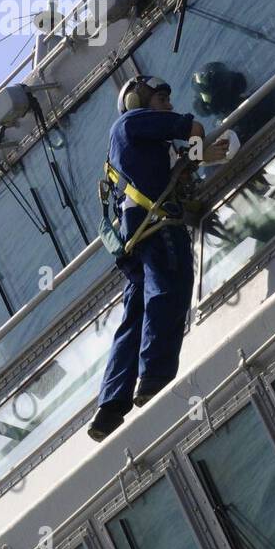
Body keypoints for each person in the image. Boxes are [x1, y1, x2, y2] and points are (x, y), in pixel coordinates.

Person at [87, 75, 229, 441]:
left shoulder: (128, 147)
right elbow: (192, 125)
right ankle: (154, 376)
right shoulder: (132, 122)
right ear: (138, 101)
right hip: (156, 227)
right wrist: (198, 149)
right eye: (161, 98)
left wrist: (192, 160)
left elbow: (165, 175)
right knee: (169, 291)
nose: (167, 104)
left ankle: (111, 405)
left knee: (134, 317)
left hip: (134, 236)